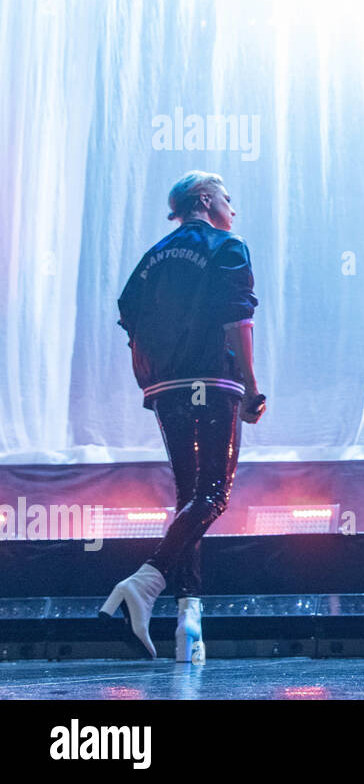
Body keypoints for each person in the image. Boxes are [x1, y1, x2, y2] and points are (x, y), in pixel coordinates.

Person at [100, 171, 265, 661]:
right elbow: (238, 320)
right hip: (212, 381)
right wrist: (252, 387)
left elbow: (128, 313)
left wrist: (156, 370)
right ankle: (143, 584)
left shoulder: (152, 257)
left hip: (166, 387)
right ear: (206, 199)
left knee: (190, 499)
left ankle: (187, 619)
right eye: (228, 198)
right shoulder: (227, 245)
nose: (233, 209)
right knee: (213, 494)